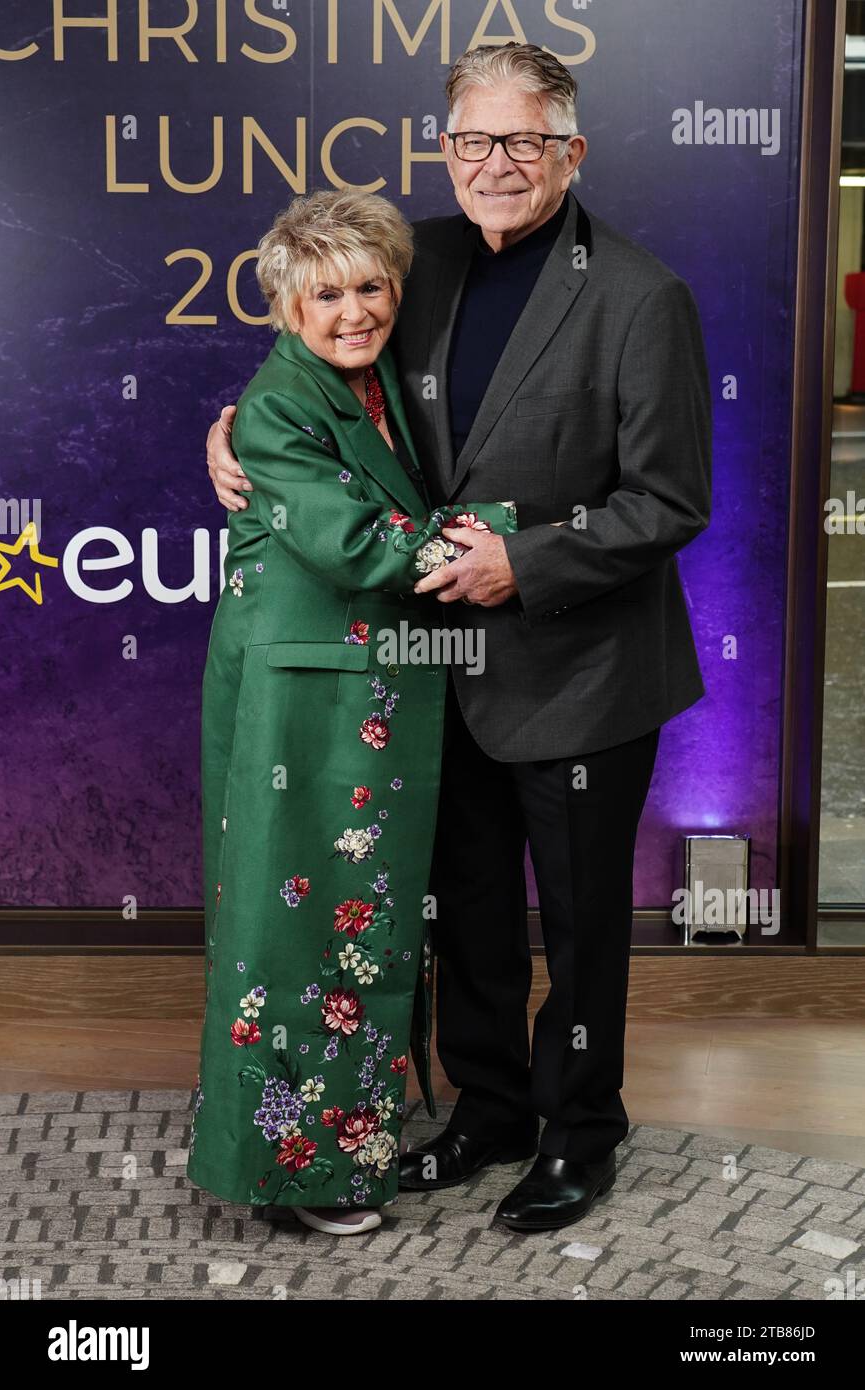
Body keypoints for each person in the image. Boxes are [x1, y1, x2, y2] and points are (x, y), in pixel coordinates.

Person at [206, 43, 712, 1234]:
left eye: (523, 142)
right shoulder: (413, 260)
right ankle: (490, 1108)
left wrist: (523, 562)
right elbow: (315, 371)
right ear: (445, 151)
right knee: (466, 909)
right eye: (472, 141)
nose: (495, 164)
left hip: (582, 668)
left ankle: (582, 1129)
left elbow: (669, 501)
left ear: (570, 153)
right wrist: (230, 427)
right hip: (436, 668)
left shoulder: (642, 296)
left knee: (581, 926)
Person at [186, 186, 517, 1235]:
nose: (352, 310)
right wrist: (520, 536)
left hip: (358, 690)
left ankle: (331, 1148)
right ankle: (296, 1169)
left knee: (351, 929)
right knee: (295, 935)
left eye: (370, 286)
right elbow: (363, 545)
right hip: (302, 707)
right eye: (324, 293)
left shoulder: (378, 386)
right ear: (286, 307)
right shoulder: (281, 406)